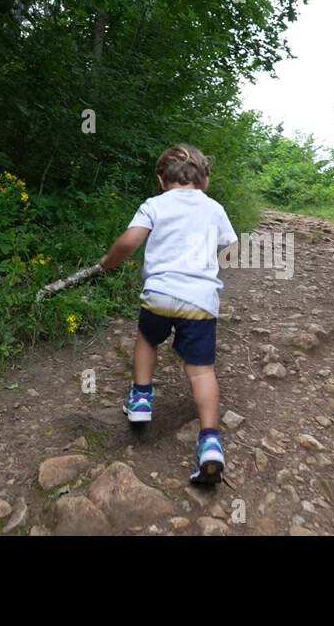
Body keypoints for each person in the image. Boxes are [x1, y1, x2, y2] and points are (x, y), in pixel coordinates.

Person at [99, 144, 238, 485]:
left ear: (161, 180)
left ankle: (142, 398)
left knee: (147, 339)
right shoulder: (214, 209)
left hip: (160, 295)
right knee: (202, 370)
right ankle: (210, 443)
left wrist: (108, 264)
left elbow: (130, 241)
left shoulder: (154, 205)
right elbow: (232, 249)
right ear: (204, 180)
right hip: (200, 302)